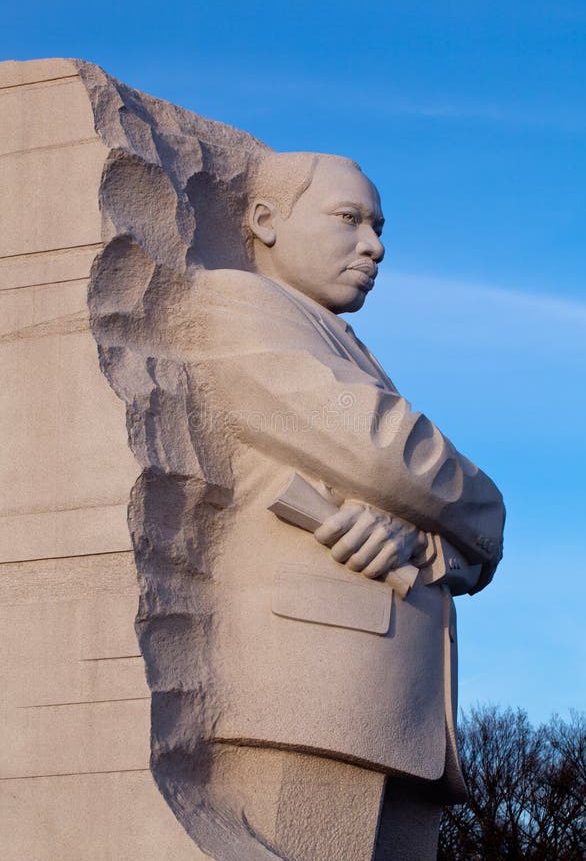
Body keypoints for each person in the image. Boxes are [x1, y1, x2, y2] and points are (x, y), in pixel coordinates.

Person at [162, 150, 505, 860]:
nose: (375, 245)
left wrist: (417, 532)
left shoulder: (343, 342)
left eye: (378, 226)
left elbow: (419, 504)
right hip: (311, 692)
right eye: (348, 220)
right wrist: (479, 504)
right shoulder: (236, 300)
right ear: (264, 222)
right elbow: (385, 450)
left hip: (398, 710)